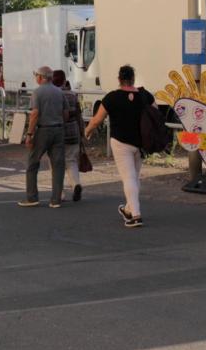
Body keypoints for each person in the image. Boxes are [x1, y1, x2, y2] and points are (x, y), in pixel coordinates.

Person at [85, 65, 151, 229]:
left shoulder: (112, 98)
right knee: (134, 177)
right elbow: (154, 113)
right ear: (133, 78)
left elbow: (96, 120)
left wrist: (87, 132)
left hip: (121, 142)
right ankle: (128, 209)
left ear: (119, 79)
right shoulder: (145, 95)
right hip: (140, 142)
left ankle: (135, 215)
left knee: (128, 177)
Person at [19, 66, 66, 209]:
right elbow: (66, 113)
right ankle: (56, 199)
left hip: (43, 130)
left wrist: (29, 134)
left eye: (36, 76)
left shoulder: (37, 93)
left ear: (40, 77)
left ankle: (32, 197)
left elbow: (34, 114)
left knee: (33, 163)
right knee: (58, 165)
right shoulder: (59, 92)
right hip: (58, 130)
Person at [52, 70, 85, 202]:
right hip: (73, 132)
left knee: (56, 163)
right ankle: (76, 184)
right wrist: (82, 131)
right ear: (65, 80)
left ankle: (60, 193)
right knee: (71, 161)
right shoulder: (73, 95)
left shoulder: (54, 95)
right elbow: (79, 115)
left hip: (57, 132)